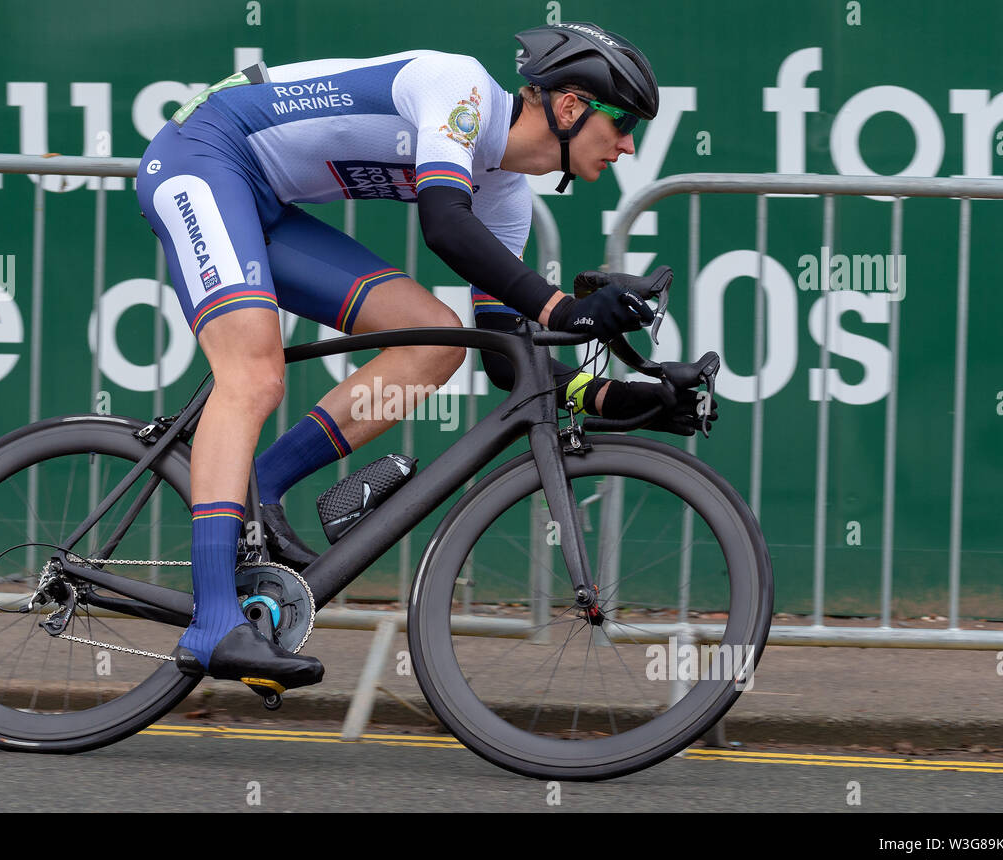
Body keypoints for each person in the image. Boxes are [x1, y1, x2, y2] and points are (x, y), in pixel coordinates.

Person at [134, 21, 694, 692]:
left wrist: (630, 399)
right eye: (624, 121)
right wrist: (562, 307)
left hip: (265, 206)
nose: (629, 144)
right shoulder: (463, 92)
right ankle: (213, 624)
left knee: (436, 341)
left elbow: (506, 360)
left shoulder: (506, 196)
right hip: (203, 155)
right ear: (570, 107)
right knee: (252, 374)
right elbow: (443, 224)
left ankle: (263, 485)